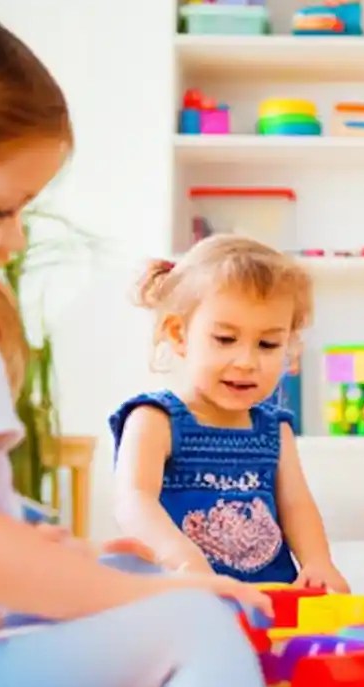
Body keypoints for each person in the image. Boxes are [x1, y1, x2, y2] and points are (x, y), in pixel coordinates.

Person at [0, 2, 273, 687]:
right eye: (1, 210)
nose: (14, 243)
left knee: (125, 569)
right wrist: (156, 595)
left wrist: (37, 541)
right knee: (197, 624)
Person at [110, 235, 350, 592]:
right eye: (225, 339)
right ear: (179, 334)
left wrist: (318, 561)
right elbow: (133, 500)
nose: (247, 362)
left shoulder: (274, 428)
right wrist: (183, 559)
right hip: (184, 593)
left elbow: (296, 504)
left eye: (268, 344)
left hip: (269, 596)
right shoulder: (154, 418)